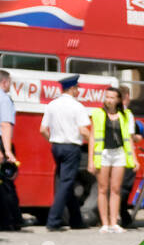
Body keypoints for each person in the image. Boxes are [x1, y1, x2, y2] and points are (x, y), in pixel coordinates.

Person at [40, 75, 92, 231]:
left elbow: (42, 130)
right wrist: (95, 144)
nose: (78, 91)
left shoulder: (52, 105)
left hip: (56, 147)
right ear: (73, 89)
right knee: (66, 183)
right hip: (71, 147)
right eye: (77, 89)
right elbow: (84, 130)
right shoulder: (78, 107)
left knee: (66, 182)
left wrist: (53, 140)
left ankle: (76, 220)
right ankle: (53, 220)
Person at [91, 85, 135, 233]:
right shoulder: (98, 113)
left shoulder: (125, 115)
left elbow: (129, 138)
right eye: (107, 97)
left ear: (118, 100)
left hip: (119, 154)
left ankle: (114, 222)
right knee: (103, 189)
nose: (108, 100)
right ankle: (104, 223)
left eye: (112, 97)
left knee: (116, 189)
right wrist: (91, 160)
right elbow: (92, 137)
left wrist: (134, 159)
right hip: (103, 154)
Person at [0, 69, 21, 231]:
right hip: (1, 143)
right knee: (6, 183)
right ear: (5, 82)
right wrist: (7, 151)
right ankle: (10, 220)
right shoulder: (4, 98)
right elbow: (5, 124)